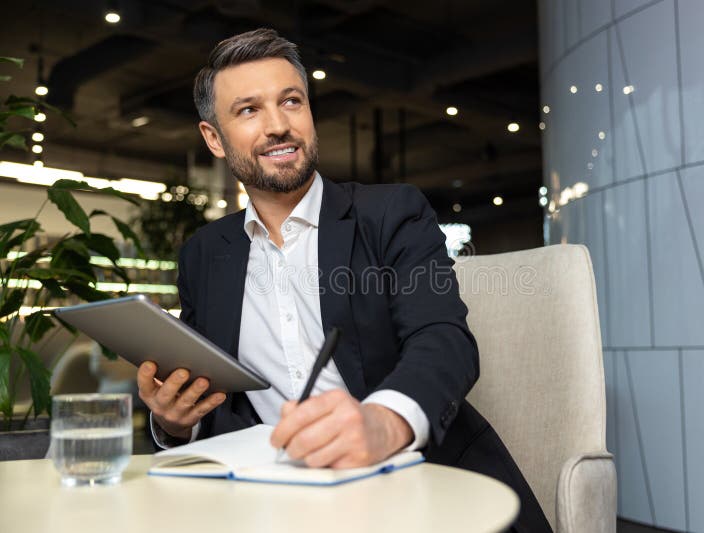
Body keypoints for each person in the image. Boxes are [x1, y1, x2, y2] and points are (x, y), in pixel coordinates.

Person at [136, 28, 551, 532]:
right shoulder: (204, 254)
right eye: (248, 110)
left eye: (291, 101)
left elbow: (443, 340)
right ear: (213, 139)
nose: (278, 126)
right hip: (268, 503)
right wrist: (177, 422)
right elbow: (219, 397)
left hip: (417, 486)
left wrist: (383, 422)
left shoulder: (392, 213)